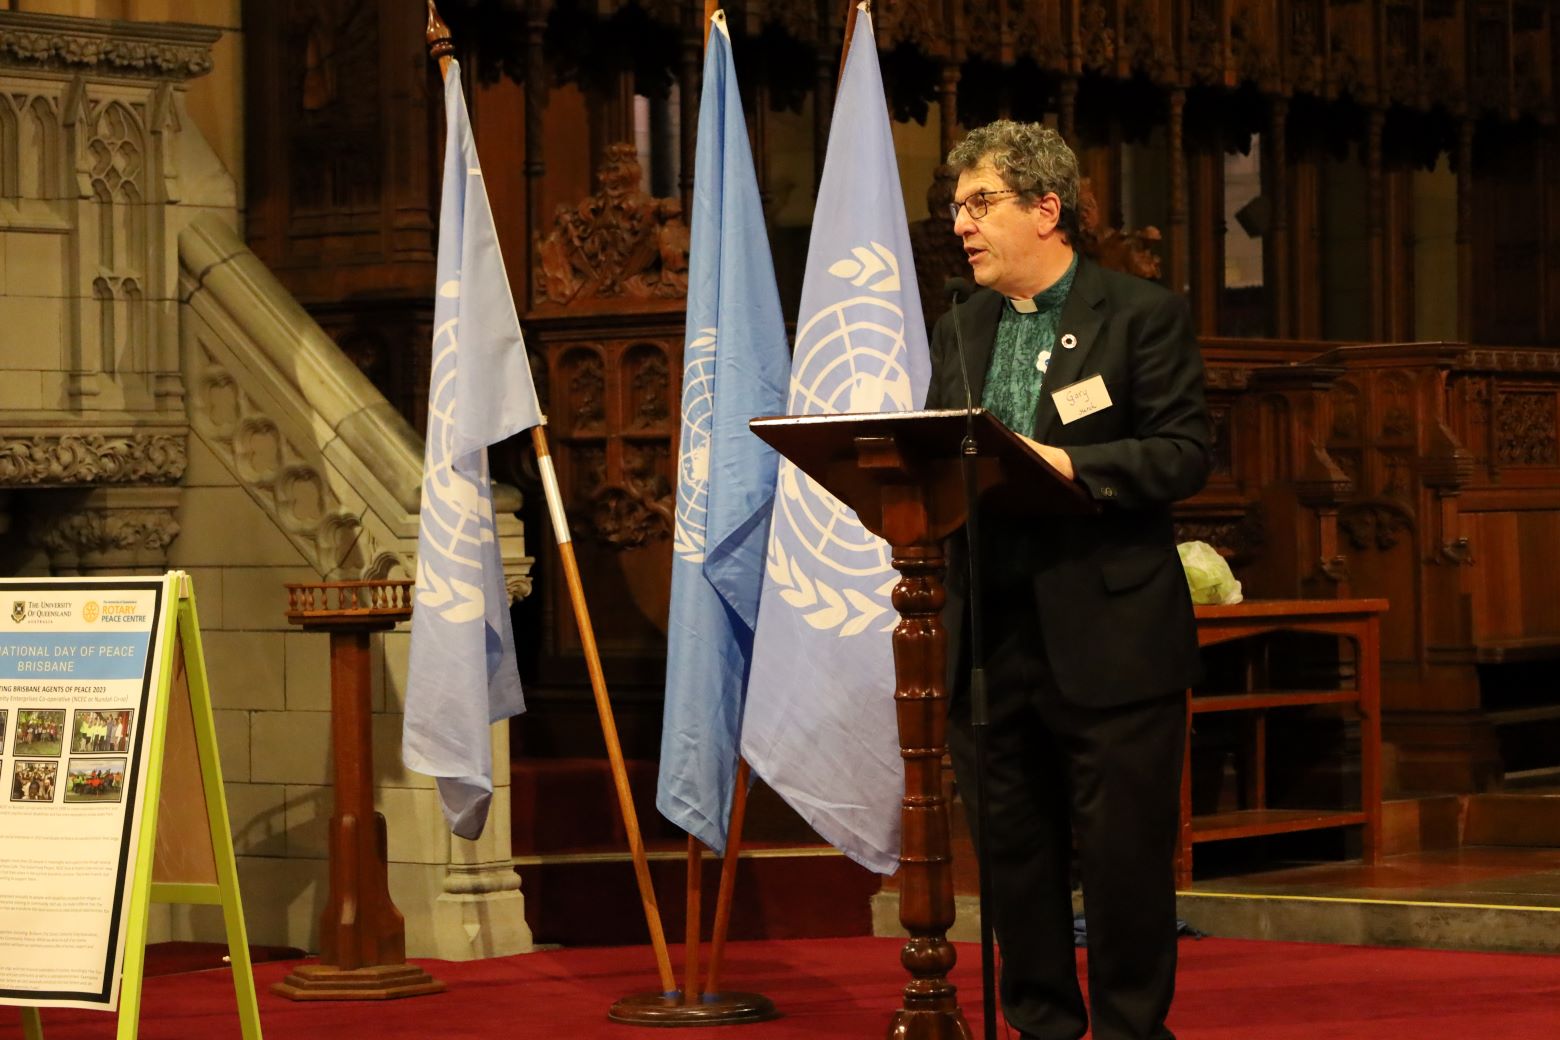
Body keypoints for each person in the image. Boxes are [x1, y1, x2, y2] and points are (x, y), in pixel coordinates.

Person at [926, 120, 1211, 1040]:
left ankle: (1133, 1031)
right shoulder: (961, 327)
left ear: (1047, 208)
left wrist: (1069, 465)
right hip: (987, 634)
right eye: (956, 208)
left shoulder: (1141, 314)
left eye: (980, 204)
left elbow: (1182, 455)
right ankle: (1042, 1025)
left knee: (1125, 859)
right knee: (1014, 855)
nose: (961, 225)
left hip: (1111, 636)